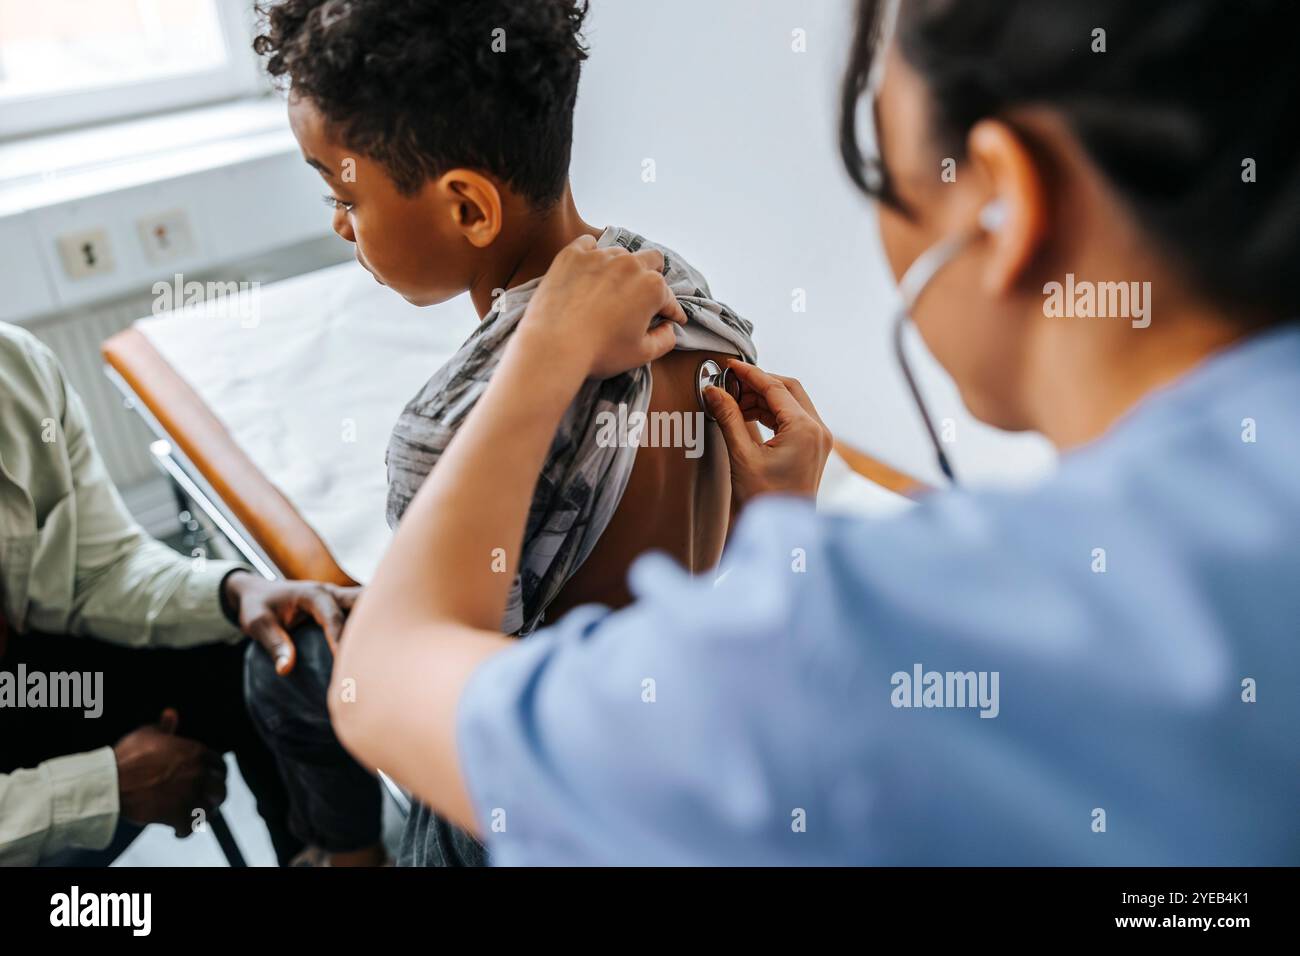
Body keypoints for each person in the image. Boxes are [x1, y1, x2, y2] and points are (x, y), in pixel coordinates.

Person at [326, 0, 1300, 864]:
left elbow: (383, 673)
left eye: (876, 162)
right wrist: (778, 524)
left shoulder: (854, 654)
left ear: (1003, 206)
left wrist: (539, 356)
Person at [244, 0, 754, 866]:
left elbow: (419, 684)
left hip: (521, 799)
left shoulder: (444, 429)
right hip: (673, 721)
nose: (339, 224)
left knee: (276, 667)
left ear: (469, 211)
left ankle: (347, 855)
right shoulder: (673, 280)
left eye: (344, 194)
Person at [0, 324, 357, 866]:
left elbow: (99, 568)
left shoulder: (15, 368)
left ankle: (328, 856)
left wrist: (232, 591)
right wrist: (97, 790)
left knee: (252, 645)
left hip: (24, 682)